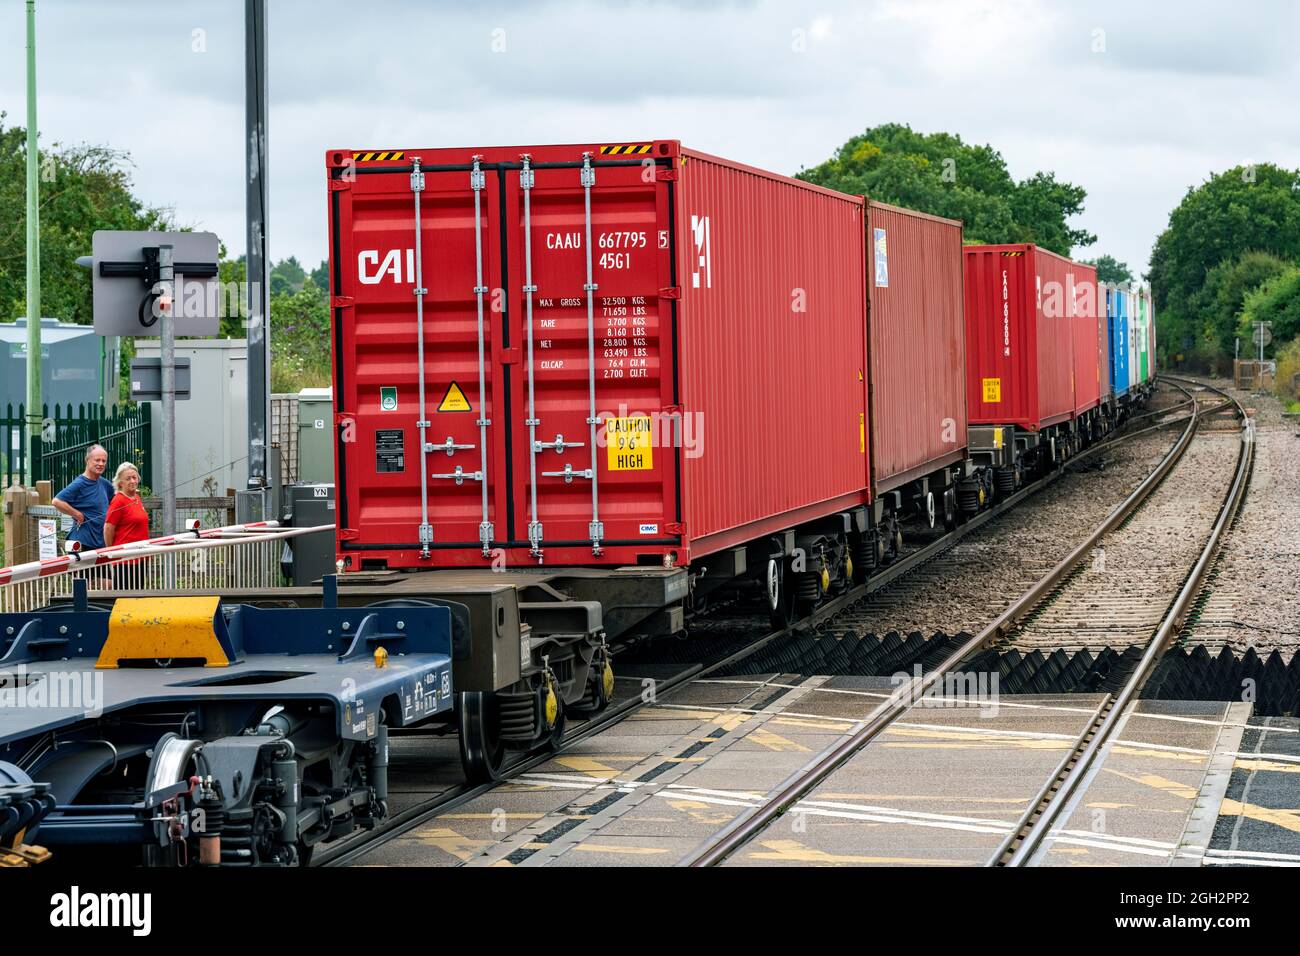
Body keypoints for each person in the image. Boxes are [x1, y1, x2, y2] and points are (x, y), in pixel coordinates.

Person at [52, 444, 115, 551]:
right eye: (97, 460)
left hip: (100, 541)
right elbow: (56, 501)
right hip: (82, 542)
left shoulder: (104, 483)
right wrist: (77, 514)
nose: (101, 464)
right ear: (87, 461)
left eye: (103, 461)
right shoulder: (79, 483)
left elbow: (115, 500)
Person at [104, 462, 151, 547]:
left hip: (142, 553)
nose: (132, 481)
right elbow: (108, 528)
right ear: (120, 482)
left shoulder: (136, 498)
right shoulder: (118, 500)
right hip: (126, 555)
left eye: (134, 477)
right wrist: (111, 550)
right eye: (128, 479)